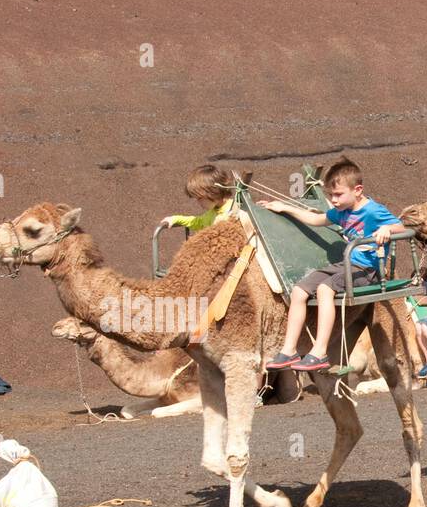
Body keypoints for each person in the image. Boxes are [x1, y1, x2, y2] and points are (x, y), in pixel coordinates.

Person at [259, 158, 401, 371]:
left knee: (325, 289)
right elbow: (315, 220)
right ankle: (289, 350)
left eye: (338, 194)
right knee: (299, 290)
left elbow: (400, 226)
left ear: (358, 190)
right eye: (330, 195)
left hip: (368, 270)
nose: (333, 200)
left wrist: (387, 230)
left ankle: (319, 352)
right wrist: (284, 208)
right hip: (347, 265)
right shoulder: (340, 211)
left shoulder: (372, 210)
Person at [159, 165, 235, 231]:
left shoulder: (236, 211)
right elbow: (198, 222)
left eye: (200, 198)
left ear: (213, 191)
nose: (198, 202)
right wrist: (176, 219)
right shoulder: (213, 211)